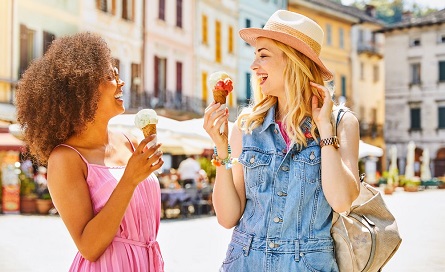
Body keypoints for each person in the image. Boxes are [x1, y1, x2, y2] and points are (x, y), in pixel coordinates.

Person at [203, 10, 360, 271]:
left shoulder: (342, 122)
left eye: (263, 55)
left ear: (294, 61)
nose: (254, 66)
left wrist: (324, 128)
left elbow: (342, 201)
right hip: (245, 261)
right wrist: (222, 151)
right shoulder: (247, 125)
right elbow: (227, 217)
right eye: (255, 56)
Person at [16, 32, 165, 271]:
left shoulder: (131, 142)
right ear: (81, 88)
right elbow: (89, 247)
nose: (121, 82)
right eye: (110, 76)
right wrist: (129, 179)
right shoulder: (65, 159)